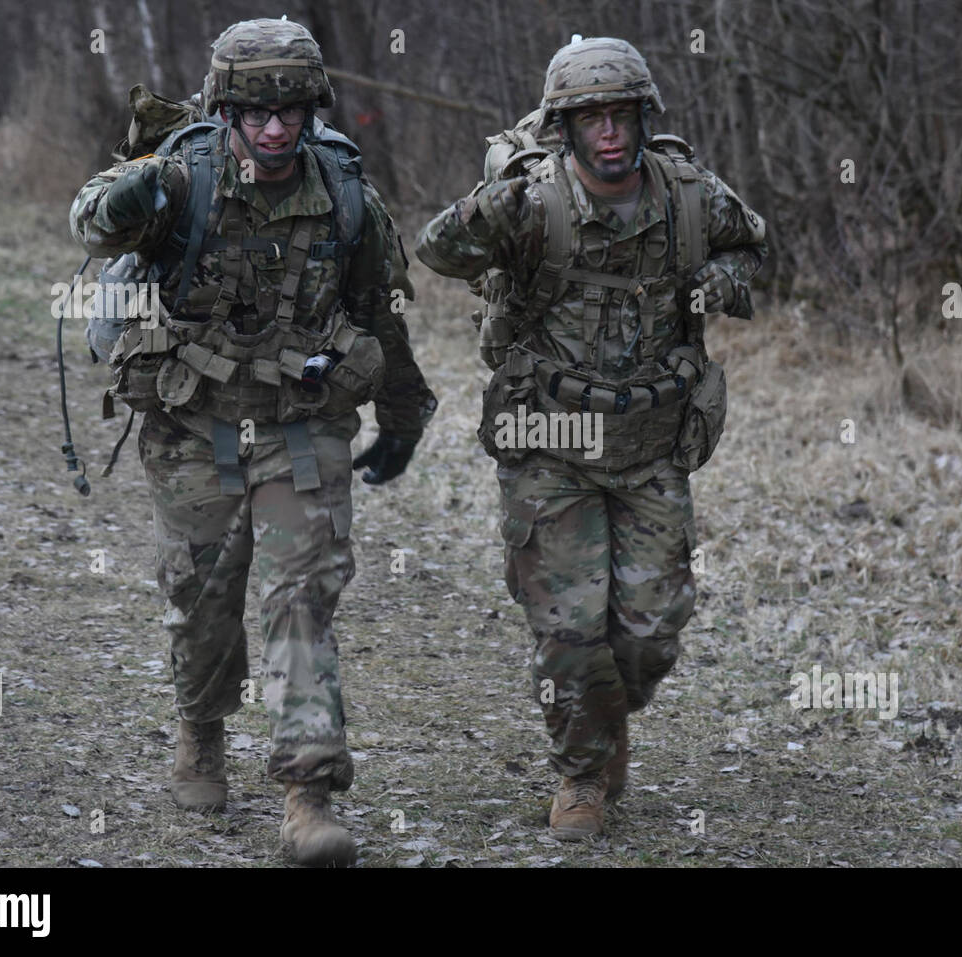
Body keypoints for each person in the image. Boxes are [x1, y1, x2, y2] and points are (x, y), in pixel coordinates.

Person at [69, 17, 435, 866]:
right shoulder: (181, 177)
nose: (274, 129)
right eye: (255, 112)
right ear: (223, 109)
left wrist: (405, 411)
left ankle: (309, 795)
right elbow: (92, 220)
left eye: (291, 111)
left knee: (301, 600)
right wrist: (128, 197)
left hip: (301, 426)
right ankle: (200, 729)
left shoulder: (345, 193)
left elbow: (381, 310)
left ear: (314, 109)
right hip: (190, 427)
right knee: (202, 602)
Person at [416, 36, 768, 840]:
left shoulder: (686, 195)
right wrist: (492, 199)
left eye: (621, 114)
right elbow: (437, 249)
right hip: (550, 440)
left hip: (650, 441)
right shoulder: (535, 200)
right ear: (564, 127)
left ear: (643, 118)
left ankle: (608, 720)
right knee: (571, 630)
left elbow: (751, 241)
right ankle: (581, 775)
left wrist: (728, 281)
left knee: (650, 629)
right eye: (589, 118)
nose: (608, 132)